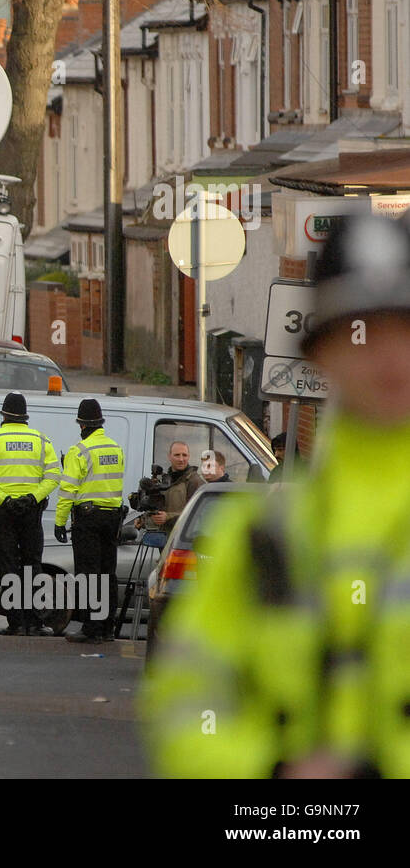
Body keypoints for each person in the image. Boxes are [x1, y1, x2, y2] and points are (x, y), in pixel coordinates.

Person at [142, 211, 410, 777]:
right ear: (321, 355)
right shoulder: (264, 540)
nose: (391, 355)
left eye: (404, 328)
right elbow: (188, 707)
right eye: (363, 331)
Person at [0, 392, 61, 635]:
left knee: (8, 565)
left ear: (3, 416)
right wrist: (33, 498)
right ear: (25, 417)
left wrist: (5, 500)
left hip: (3, 512)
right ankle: (35, 622)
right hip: (31, 511)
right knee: (32, 564)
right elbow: (54, 475)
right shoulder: (41, 440)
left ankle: (15, 623)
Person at [53, 398, 125, 644]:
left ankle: (91, 627)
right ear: (100, 423)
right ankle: (107, 627)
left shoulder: (79, 451)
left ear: (82, 425)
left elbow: (67, 490)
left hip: (88, 518)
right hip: (112, 517)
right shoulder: (115, 448)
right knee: (108, 573)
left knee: (88, 573)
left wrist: (59, 522)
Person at [138, 441, 204, 534]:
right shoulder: (164, 481)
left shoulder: (195, 481)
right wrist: (143, 520)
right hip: (164, 540)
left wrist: (168, 517)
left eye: (184, 455)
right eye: (177, 455)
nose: (181, 459)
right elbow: (158, 509)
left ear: (189, 457)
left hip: (184, 541)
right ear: (169, 456)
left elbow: (197, 515)